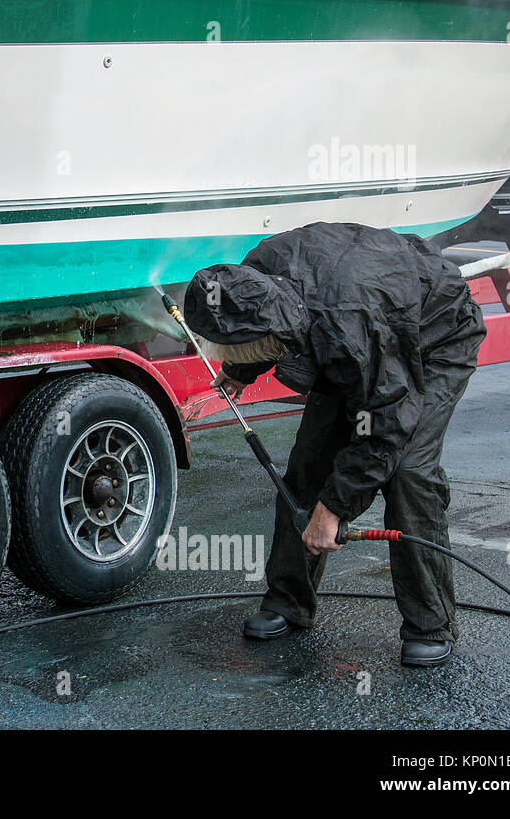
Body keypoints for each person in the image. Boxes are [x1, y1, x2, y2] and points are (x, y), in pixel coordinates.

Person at [183, 222, 485, 667]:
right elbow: (263, 321)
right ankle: (288, 601)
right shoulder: (252, 277)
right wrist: (241, 371)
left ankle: (430, 622)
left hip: (432, 341)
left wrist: (334, 511)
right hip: (364, 337)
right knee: (307, 468)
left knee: (407, 475)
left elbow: (384, 422)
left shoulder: (349, 325)